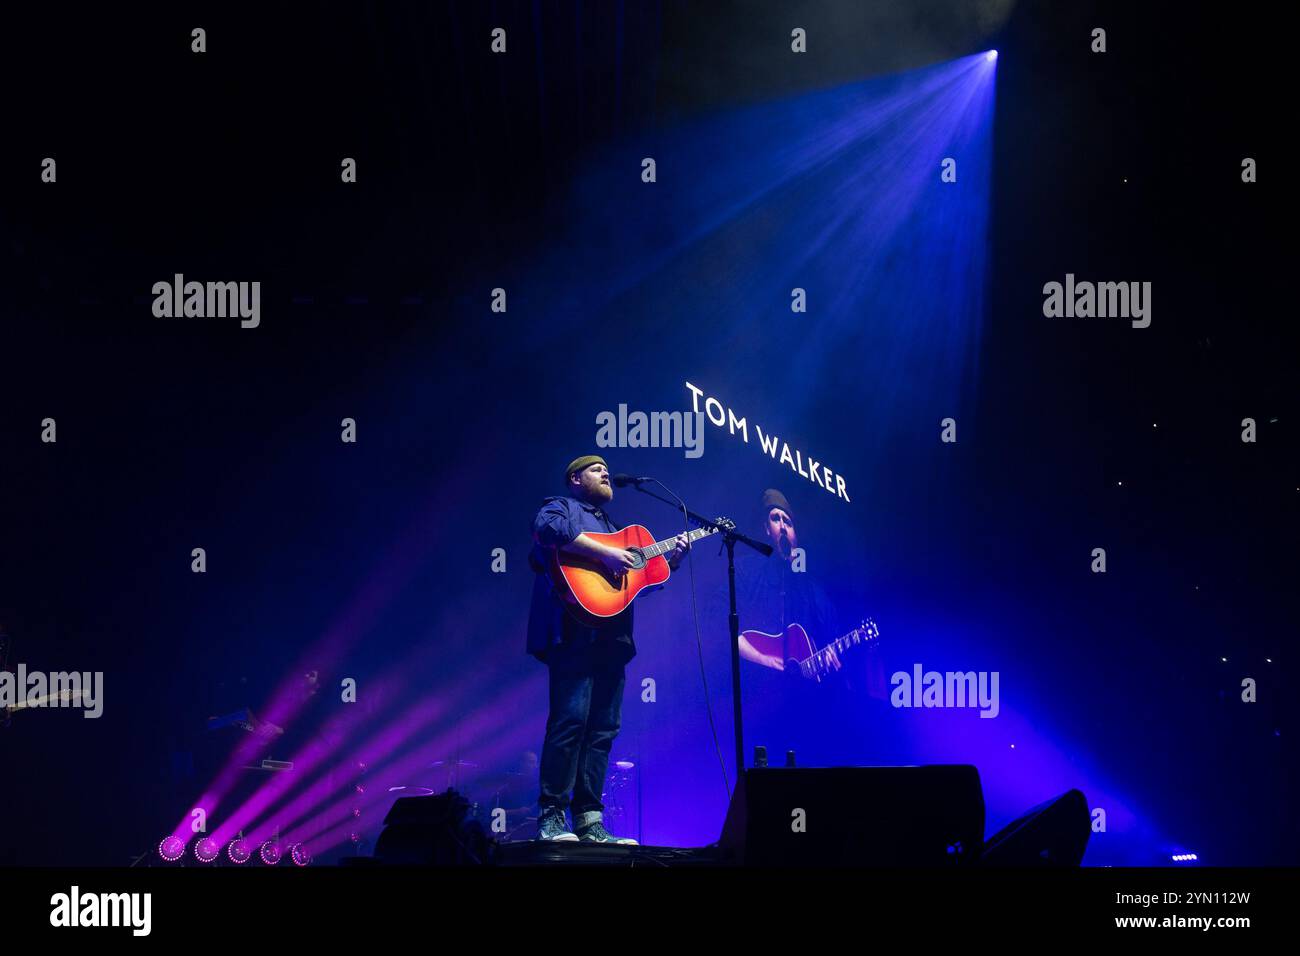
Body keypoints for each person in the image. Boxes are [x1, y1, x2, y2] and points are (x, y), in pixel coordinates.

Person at [527, 454, 689, 843]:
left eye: (605, 469)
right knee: (570, 720)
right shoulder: (561, 506)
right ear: (575, 479)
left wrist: (672, 561)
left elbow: (635, 583)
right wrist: (604, 553)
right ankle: (551, 816)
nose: (605, 472)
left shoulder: (618, 530)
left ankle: (588, 818)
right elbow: (545, 529)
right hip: (573, 631)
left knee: (603, 729)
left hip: (612, 639)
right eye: (595, 469)